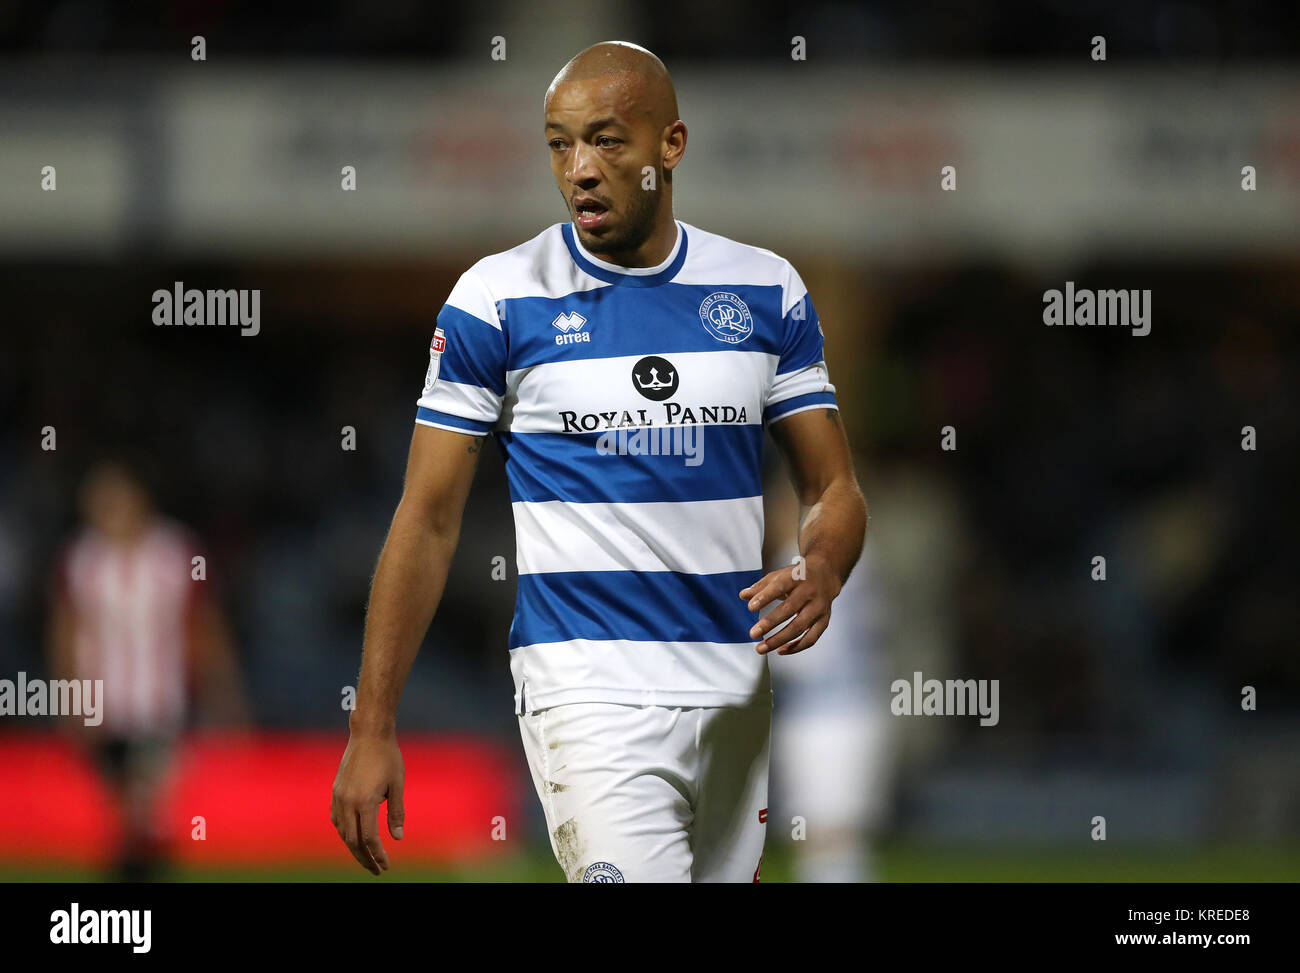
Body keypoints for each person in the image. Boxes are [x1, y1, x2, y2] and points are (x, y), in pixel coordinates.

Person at [330, 41, 867, 882]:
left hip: (733, 687)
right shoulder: (498, 301)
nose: (578, 168)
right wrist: (372, 725)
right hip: (587, 688)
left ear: (671, 146)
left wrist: (825, 563)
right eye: (558, 143)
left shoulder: (768, 293)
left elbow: (832, 485)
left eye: (607, 141)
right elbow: (428, 518)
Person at [47, 457, 246, 880]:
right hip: (104, 704)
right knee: (123, 811)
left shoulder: (174, 551)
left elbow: (204, 625)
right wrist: (69, 699)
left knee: (146, 805)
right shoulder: (82, 558)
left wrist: (220, 691)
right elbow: (66, 632)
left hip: (160, 703)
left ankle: (141, 867)